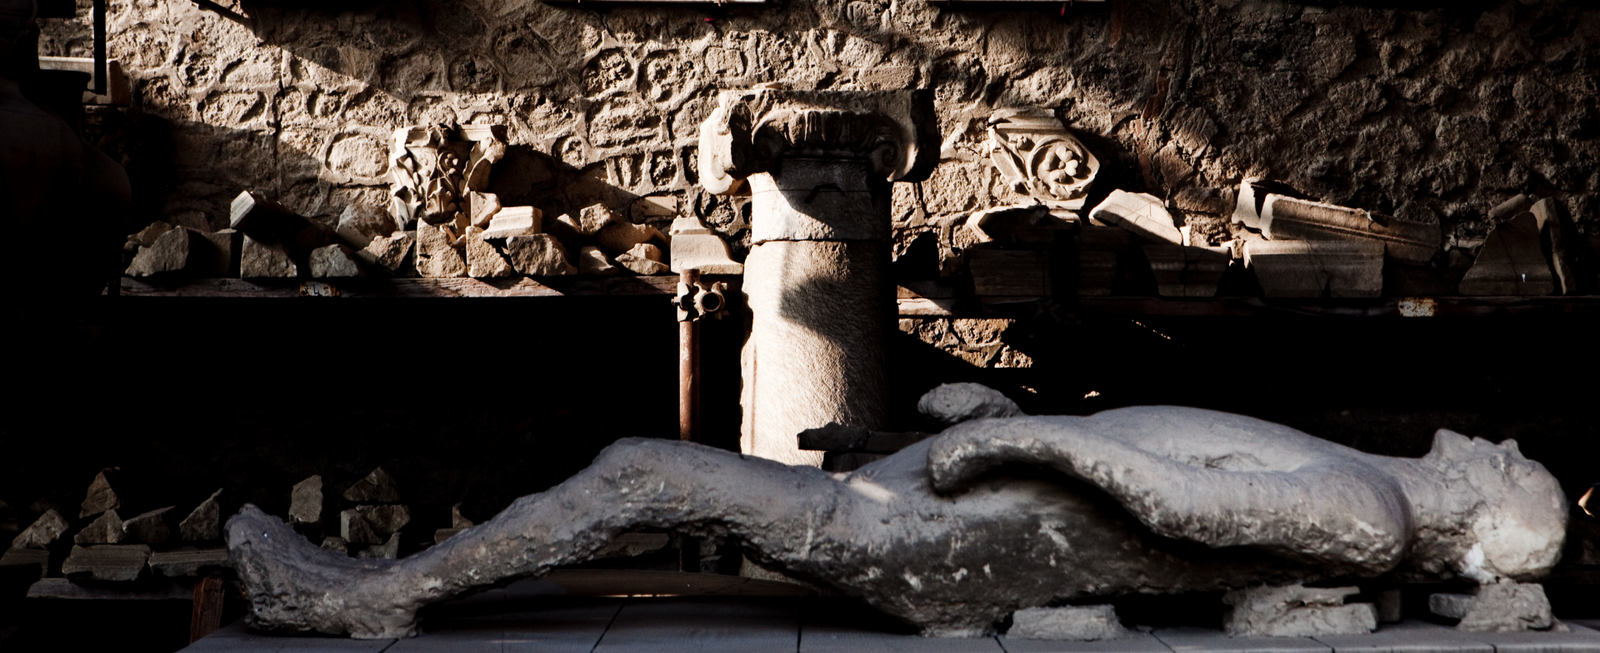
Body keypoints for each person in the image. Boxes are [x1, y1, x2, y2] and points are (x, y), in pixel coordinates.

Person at [227, 401, 1566, 639]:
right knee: (649, 474)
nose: (1506, 446)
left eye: (1523, 472)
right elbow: (1175, 468)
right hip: (946, 513)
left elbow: (1185, 500)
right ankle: (382, 584)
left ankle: (359, 602)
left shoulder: (1368, 507)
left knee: (644, 471)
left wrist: (1028, 435)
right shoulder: (1368, 486)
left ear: (1496, 529)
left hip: (928, 546)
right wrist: (1005, 418)